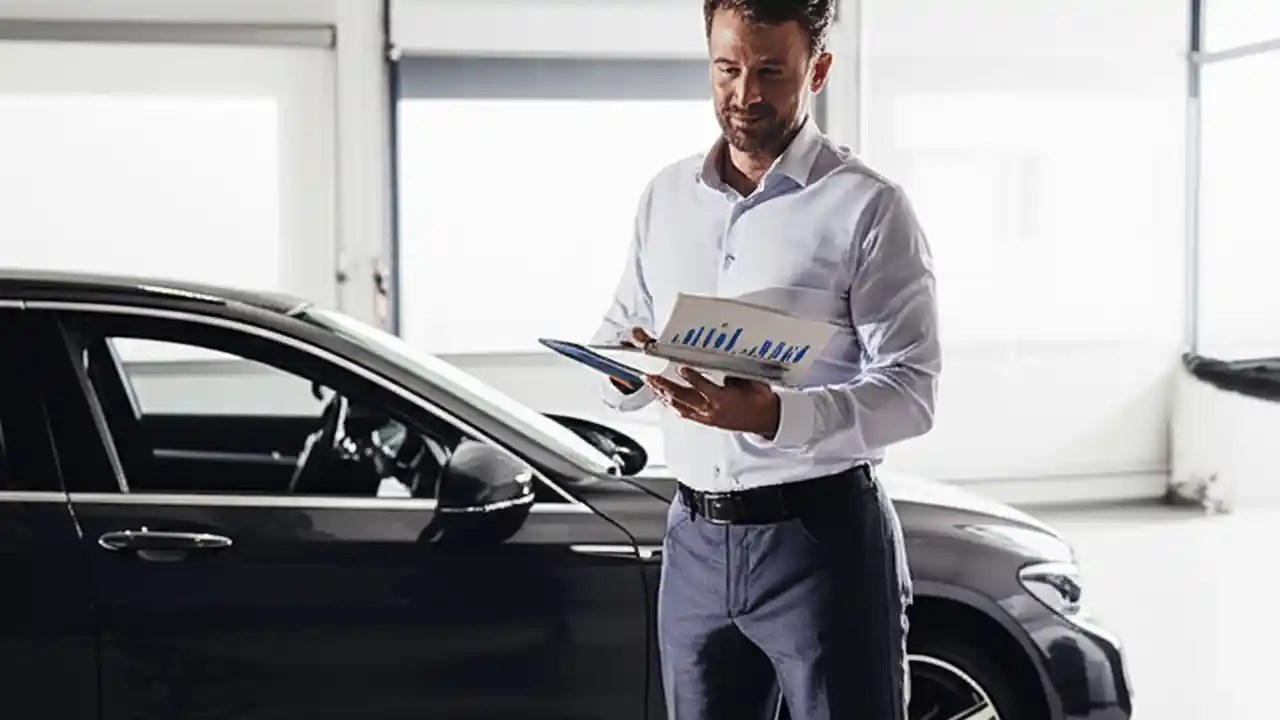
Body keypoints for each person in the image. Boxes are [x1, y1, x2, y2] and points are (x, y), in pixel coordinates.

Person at [591, 0, 939, 718]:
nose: (744, 95)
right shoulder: (665, 197)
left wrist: (777, 413)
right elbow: (621, 334)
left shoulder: (867, 207)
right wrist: (627, 368)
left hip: (821, 541)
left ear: (818, 70)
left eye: (770, 72)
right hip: (692, 541)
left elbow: (912, 392)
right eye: (727, 69)